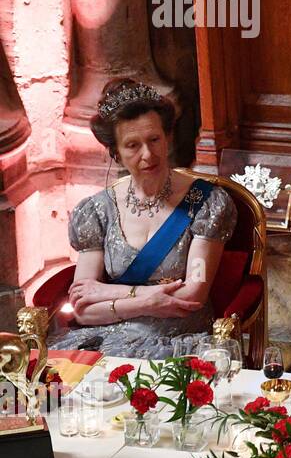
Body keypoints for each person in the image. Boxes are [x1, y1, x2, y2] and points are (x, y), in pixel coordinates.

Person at [51, 78, 236, 359]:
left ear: (168, 136)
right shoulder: (97, 211)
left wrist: (107, 294)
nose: (148, 155)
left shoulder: (204, 203)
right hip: (109, 337)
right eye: (132, 146)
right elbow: (83, 309)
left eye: (154, 140)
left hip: (178, 338)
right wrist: (147, 299)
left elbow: (192, 295)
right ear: (115, 152)